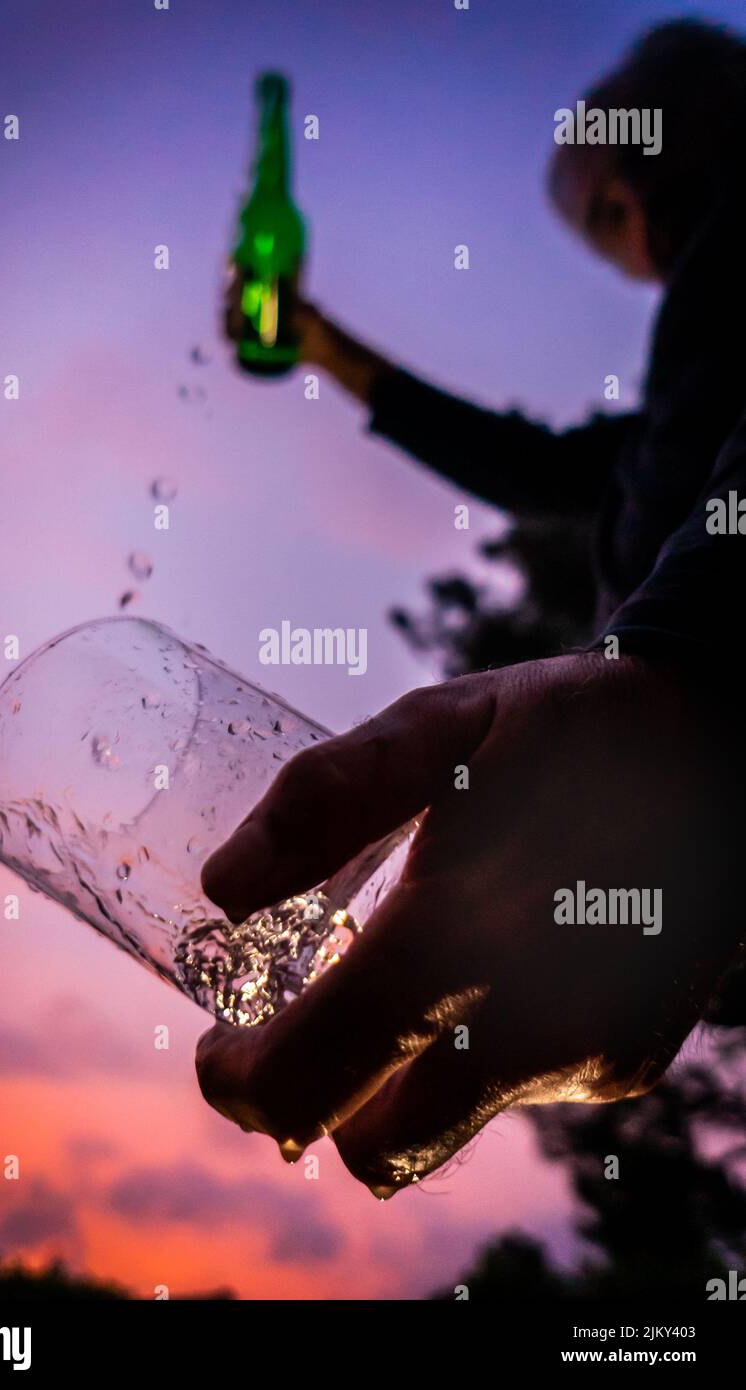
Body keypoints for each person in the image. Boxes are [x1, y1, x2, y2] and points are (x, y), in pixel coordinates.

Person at [197, 19, 746, 1197]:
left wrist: (683, 671)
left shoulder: (731, 261)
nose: (637, 259)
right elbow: (535, 465)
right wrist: (323, 347)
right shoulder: (679, 413)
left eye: (607, 214)